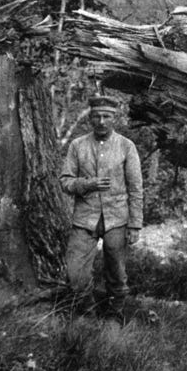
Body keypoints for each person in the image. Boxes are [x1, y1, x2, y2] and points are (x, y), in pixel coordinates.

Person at [59, 94, 143, 317]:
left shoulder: (126, 146)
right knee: (75, 273)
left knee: (116, 271)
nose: (101, 121)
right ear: (90, 118)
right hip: (85, 219)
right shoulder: (78, 145)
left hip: (117, 219)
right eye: (96, 116)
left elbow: (135, 189)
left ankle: (116, 315)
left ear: (114, 118)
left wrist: (135, 225)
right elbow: (64, 181)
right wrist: (87, 184)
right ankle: (89, 312)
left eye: (106, 116)